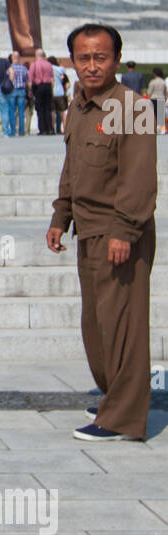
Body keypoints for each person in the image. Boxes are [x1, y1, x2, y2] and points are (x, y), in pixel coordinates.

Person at [47, 24, 157, 442]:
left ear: (115, 60)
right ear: (72, 61)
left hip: (119, 233)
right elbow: (72, 169)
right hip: (89, 231)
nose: (92, 66)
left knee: (123, 326)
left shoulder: (133, 108)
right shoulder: (79, 105)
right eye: (83, 58)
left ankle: (123, 417)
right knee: (96, 325)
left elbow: (140, 177)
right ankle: (115, 395)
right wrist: (61, 217)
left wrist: (125, 231)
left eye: (101, 57)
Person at [29, 49, 54, 135]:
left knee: (40, 109)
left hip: (39, 86)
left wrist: (30, 91)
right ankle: (50, 128)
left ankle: (42, 129)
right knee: (48, 108)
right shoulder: (49, 64)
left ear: (36, 55)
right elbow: (52, 78)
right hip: (48, 86)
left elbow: (31, 79)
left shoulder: (34, 64)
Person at [8, 50, 30, 136]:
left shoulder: (9, 67)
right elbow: (27, 80)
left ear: (12, 58)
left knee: (12, 111)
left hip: (12, 90)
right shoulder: (23, 68)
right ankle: (21, 131)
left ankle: (13, 130)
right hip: (21, 90)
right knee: (21, 112)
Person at [51, 54, 70, 134]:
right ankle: (65, 129)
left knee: (52, 112)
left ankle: (53, 129)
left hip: (52, 93)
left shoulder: (49, 69)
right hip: (60, 93)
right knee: (62, 113)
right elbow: (67, 83)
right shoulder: (60, 70)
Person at [148, 66, 167, 132]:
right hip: (161, 98)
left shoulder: (152, 82)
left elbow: (149, 92)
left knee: (153, 114)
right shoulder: (163, 82)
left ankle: (154, 128)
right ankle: (161, 129)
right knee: (160, 115)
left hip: (153, 98)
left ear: (155, 74)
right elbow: (165, 92)